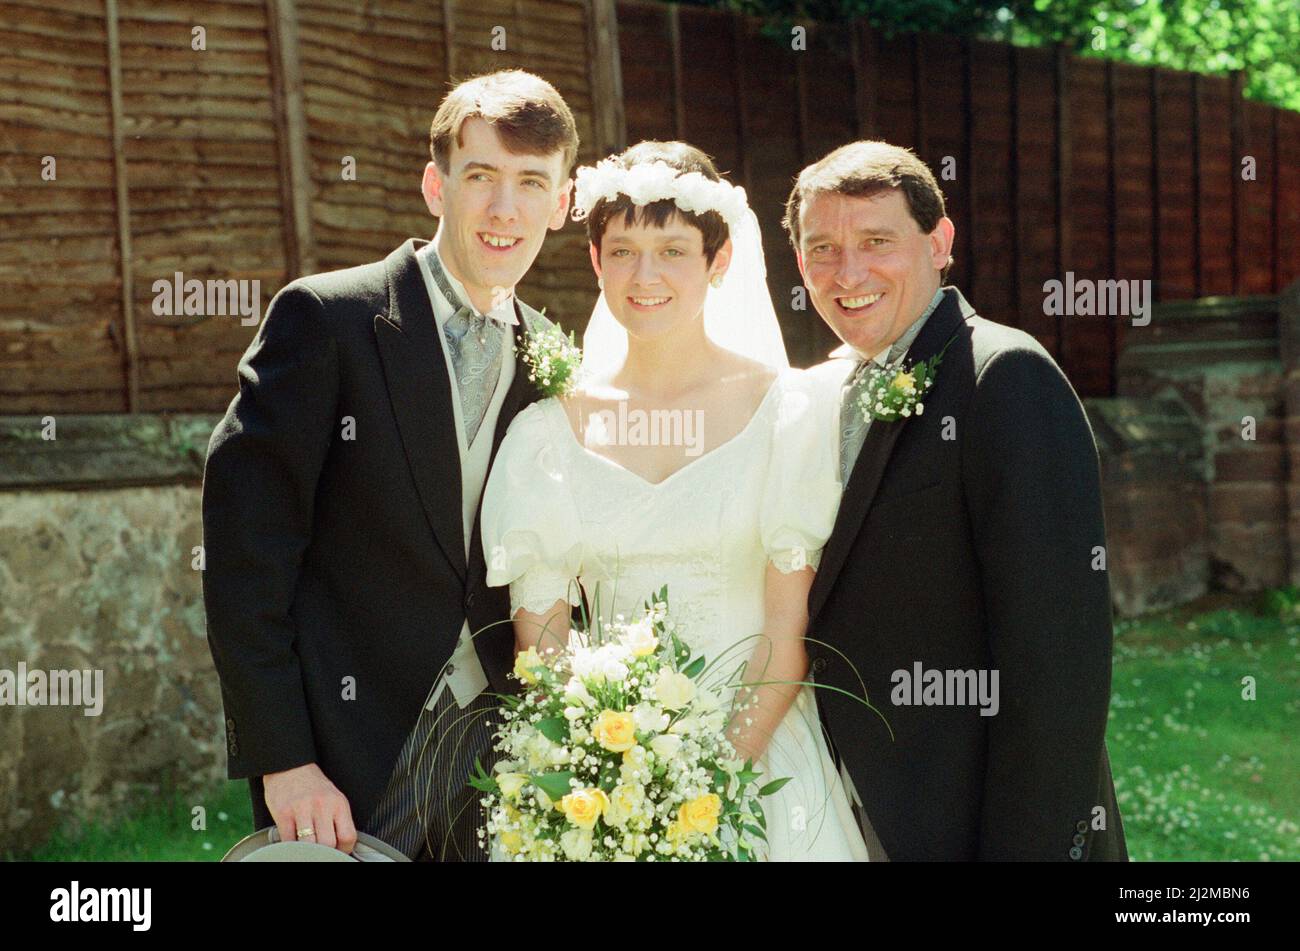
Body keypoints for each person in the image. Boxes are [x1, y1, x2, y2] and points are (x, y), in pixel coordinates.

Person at [201, 69, 577, 860]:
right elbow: (246, 559)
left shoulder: (556, 359)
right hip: (346, 770)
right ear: (436, 184)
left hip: (504, 769)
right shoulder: (325, 320)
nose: (504, 209)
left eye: (530, 183)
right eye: (481, 177)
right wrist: (285, 759)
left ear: (563, 201)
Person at [479, 140, 871, 860]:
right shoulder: (546, 433)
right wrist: (607, 775)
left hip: (760, 761)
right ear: (595, 261)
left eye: (672, 249)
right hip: (601, 779)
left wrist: (698, 791)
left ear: (718, 261)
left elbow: (788, 633)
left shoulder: (787, 413)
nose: (645, 274)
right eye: (623, 250)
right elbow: (544, 645)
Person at [786, 140, 1128, 860]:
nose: (849, 272)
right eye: (823, 248)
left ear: (939, 244)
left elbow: (1057, 665)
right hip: (862, 818)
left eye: (877, 241)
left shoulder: (1005, 376)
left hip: (984, 829)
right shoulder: (819, 394)